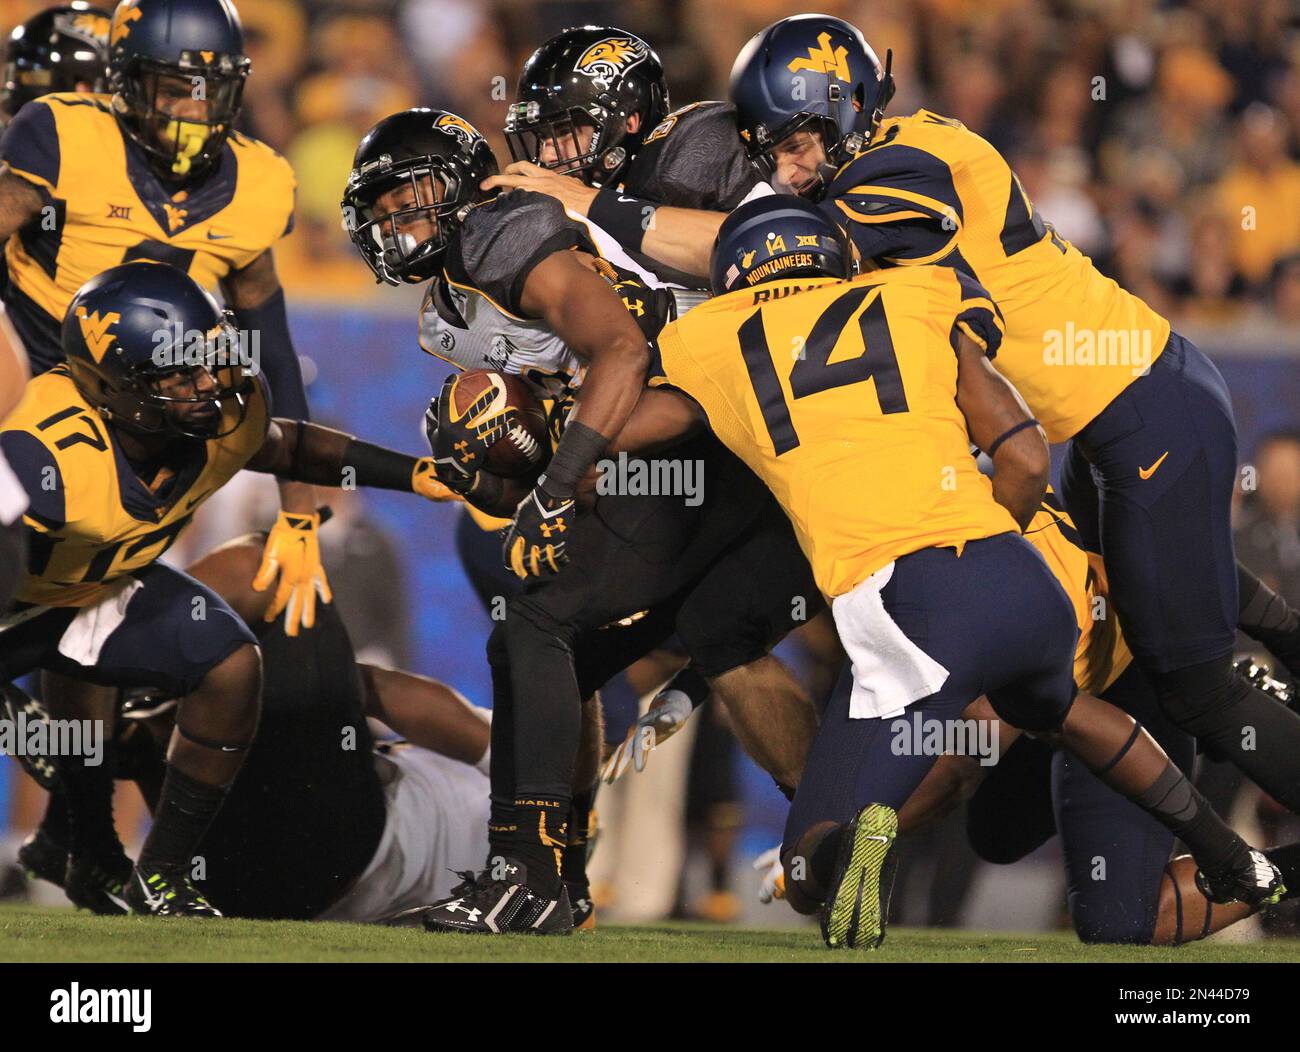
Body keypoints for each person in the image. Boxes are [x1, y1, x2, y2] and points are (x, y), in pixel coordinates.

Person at [616, 194, 1283, 949]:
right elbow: (1032, 460)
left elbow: (626, 427)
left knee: (884, 822)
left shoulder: (726, 350)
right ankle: (1239, 856)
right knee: (1013, 824)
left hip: (1017, 632)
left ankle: (847, 848)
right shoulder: (922, 318)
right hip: (1041, 617)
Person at [724, 13, 1300, 820]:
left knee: (1196, 681)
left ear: (845, 105)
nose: (788, 172)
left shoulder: (902, 165)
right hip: (1123, 414)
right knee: (1145, 585)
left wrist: (610, 216)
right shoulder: (908, 148)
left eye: (797, 143)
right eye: (773, 152)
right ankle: (1287, 640)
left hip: (1144, 407)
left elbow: (773, 248)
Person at [0, 260, 450, 915]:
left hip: (91, 590)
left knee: (229, 664)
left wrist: (416, 474)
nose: (209, 384)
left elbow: (291, 447)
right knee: (55, 739)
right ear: (114, 388)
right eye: (181, 373)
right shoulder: (43, 458)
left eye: (209, 359)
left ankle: (160, 875)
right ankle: (74, 841)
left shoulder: (213, 420)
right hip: (15, 612)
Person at [0, 0, 322, 634]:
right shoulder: (66, 138)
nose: (193, 113)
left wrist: (301, 511)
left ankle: (100, 720)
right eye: (174, 91)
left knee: (94, 619)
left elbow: (270, 346)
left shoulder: (260, 183)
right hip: (35, 415)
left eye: (210, 92)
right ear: (125, 82)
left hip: (146, 434)